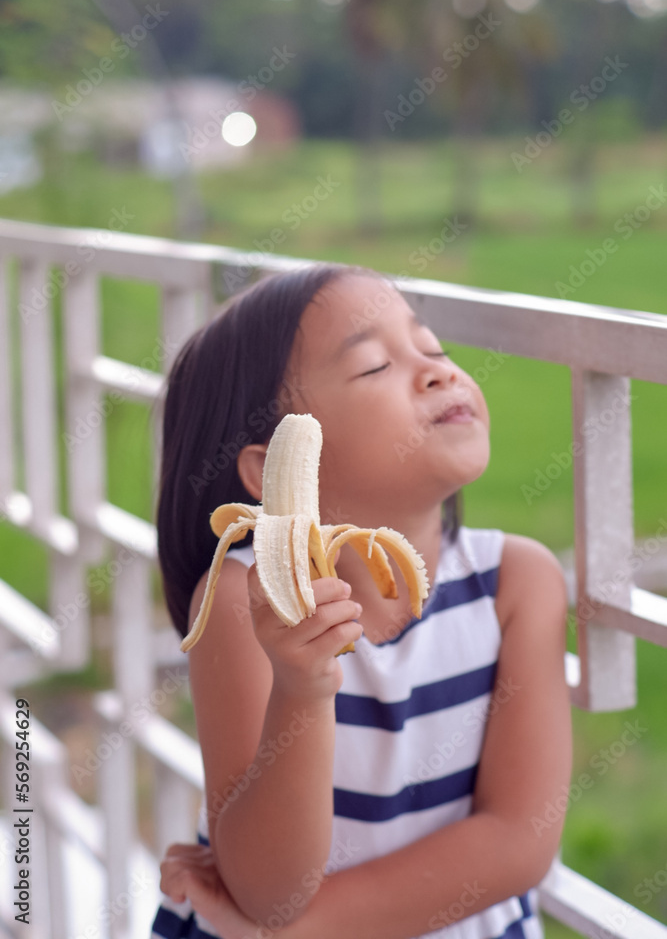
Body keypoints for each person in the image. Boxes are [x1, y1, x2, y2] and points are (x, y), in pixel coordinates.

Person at [150, 264, 572, 939]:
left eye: (432, 348)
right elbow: (268, 891)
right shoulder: (241, 602)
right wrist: (301, 690)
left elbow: (519, 842)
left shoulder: (518, 584)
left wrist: (296, 933)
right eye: (375, 366)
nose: (437, 372)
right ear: (272, 467)